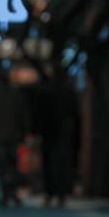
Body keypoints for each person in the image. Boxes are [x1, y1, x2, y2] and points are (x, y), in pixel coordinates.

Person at [0, 70, 30, 207]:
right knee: (12, 165)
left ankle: (6, 192)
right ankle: (12, 192)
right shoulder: (15, 95)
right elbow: (22, 116)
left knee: (3, 167)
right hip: (12, 136)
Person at [35, 73, 78, 207]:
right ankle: (59, 193)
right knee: (59, 164)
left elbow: (38, 114)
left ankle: (53, 193)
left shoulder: (46, 93)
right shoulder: (66, 92)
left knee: (52, 165)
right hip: (59, 133)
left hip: (52, 133)